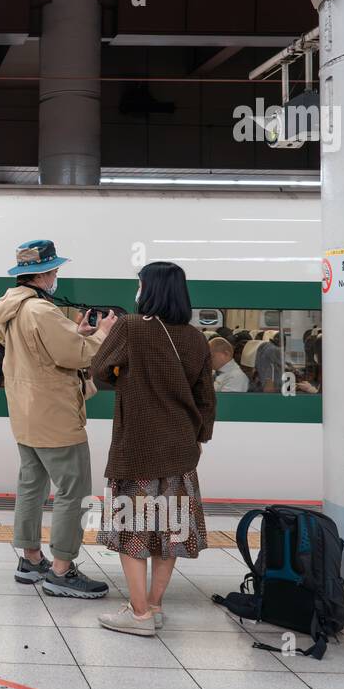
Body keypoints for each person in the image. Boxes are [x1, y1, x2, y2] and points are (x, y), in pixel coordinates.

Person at [91, 261, 217, 636]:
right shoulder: (197, 339)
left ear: (150, 290)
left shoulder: (130, 327)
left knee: (134, 529)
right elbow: (205, 399)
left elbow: (99, 370)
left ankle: (139, 614)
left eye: (140, 284)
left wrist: (106, 335)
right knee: (169, 533)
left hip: (138, 450)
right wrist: (199, 438)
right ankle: (156, 605)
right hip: (180, 452)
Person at [0, 239, 116, 598]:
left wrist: (76, 333)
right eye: (55, 270)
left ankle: (31, 559)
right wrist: (103, 335)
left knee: (31, 485)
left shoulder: (11, 308)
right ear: (44, 273)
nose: (57, 275)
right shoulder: (42, 312)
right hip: (56, 416)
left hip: (26, 414)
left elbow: (44, 352)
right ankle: (62, 569)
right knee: (72, 491)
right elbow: (77, 357)